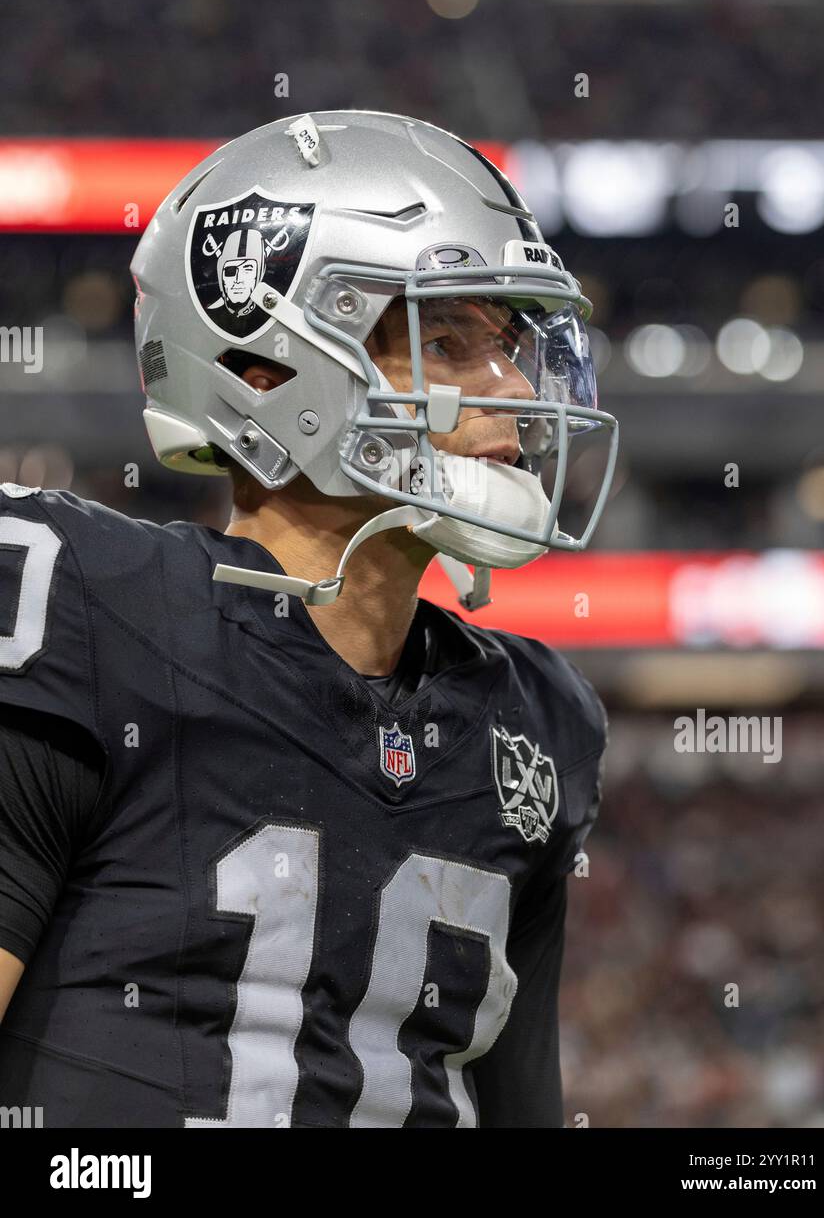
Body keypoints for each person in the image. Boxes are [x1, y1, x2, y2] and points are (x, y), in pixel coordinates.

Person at [0, 110, 617, 1127]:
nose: (511, 388)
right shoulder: (91, 614)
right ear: (264, 370)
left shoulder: (536, 721)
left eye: (506, 343)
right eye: (448, 339)